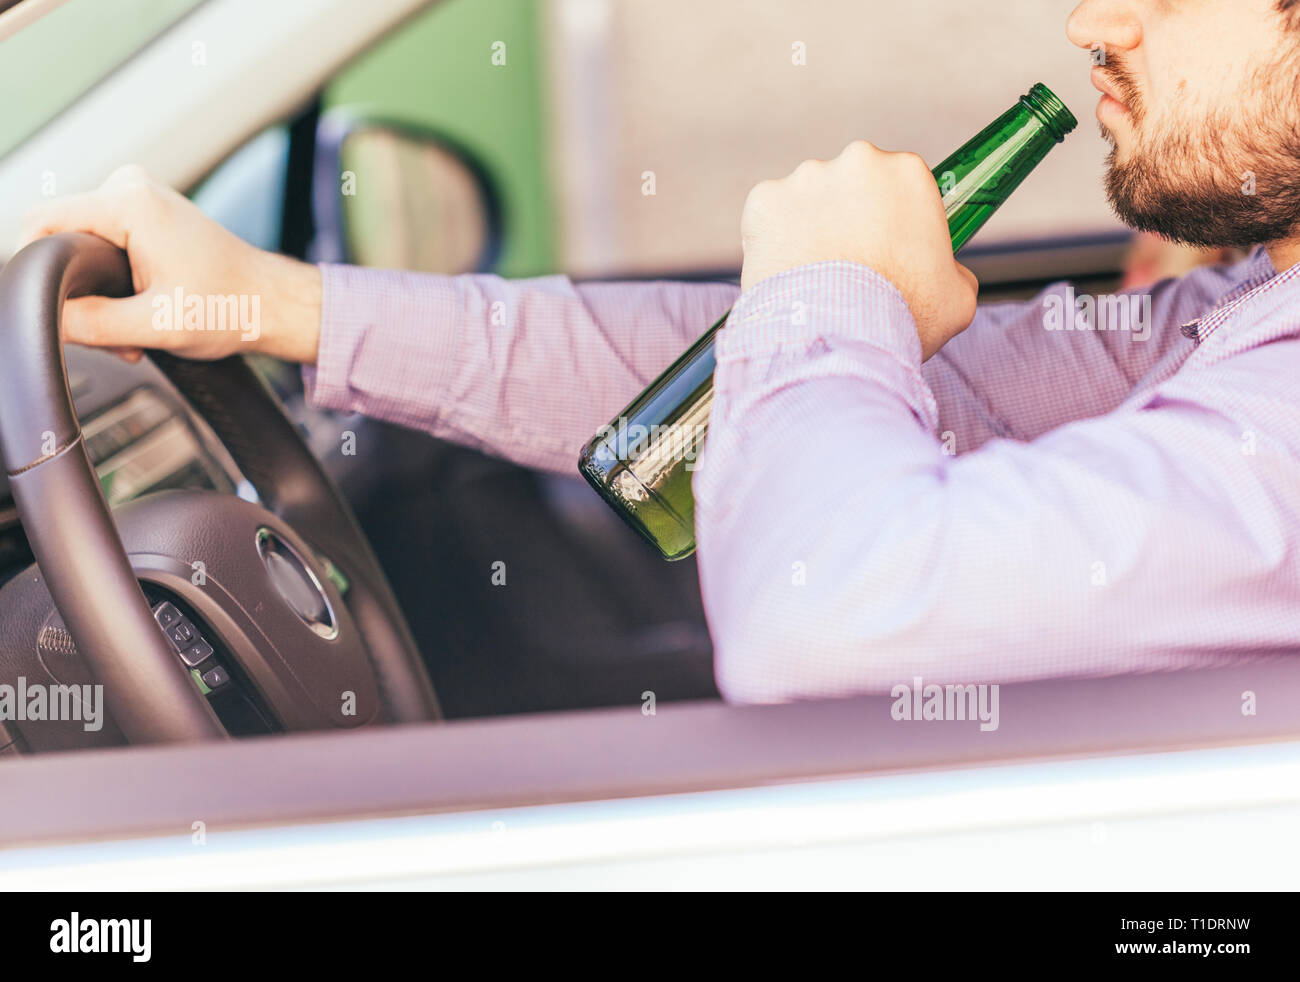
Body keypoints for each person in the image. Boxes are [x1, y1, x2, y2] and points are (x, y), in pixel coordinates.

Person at [18, 0, 1300, 703]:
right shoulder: (1233, 311)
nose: (1094, 19)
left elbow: (825, 617)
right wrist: (278, 303)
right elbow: (741, 375)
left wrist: (833, 286)